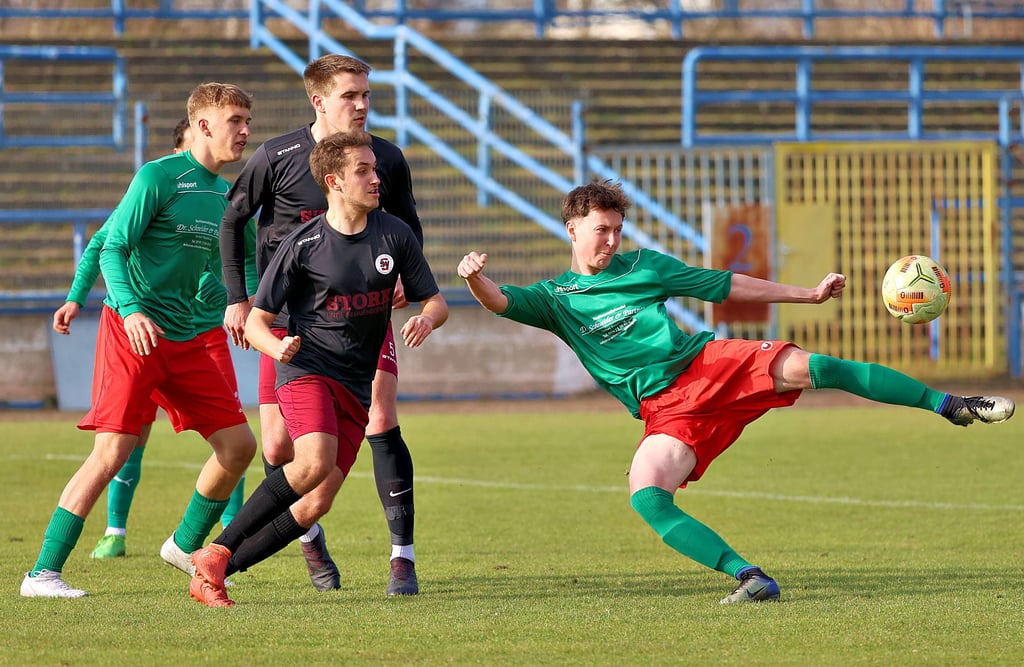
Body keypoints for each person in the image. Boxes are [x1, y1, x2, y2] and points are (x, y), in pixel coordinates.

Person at [456, 180, 1015, 605]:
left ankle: (950, 404)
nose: (611, 239)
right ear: (572, 229)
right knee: (646, 494)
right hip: (665, 411)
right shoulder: (557, 298)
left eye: (617, 229)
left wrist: (809, 295)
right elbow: (502, 301)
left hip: (709, 364)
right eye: (601, 229)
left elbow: (723, 284)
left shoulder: (645, 267)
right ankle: (751, 576)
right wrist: (474, 277)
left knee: (814, 367)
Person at [20, 82, 259, 598]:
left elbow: (249, 266)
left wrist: (249, 304)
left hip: (191, 336)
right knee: (113, 452)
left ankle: (183, 543)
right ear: (202, 125)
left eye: (247, 120)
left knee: (239, 446)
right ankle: (42, 573)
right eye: (235, 120)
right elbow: (111, 248)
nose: (244, 130)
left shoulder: (231, 196)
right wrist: (127, 310)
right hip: (134, 333)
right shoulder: (157, 177)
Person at [190, 130, 448, 607]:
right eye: (364, 171)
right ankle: (218, 550)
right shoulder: (302, 244)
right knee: (309, 463)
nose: (377, 178)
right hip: (306, 369)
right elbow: (260, 322)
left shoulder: (395, 234)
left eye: (375, 168)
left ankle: (216, 566)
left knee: (317, 500)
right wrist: (278, 346)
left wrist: (425, 318)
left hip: (356, 382)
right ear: (333, 182)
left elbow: (435, 300)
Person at [220, 54, 425, 595]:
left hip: (361, 313)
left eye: (366, 94)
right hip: (287, 321)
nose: (361, 105)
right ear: (319, 100)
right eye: (349, 95)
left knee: (382, 414)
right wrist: (239, 299)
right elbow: (233, 217)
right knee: (277, 449)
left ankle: (401, 558)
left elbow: (408, 225)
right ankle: (306, 537)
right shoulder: (278, 155)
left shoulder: (384, 158)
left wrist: (407, 276)